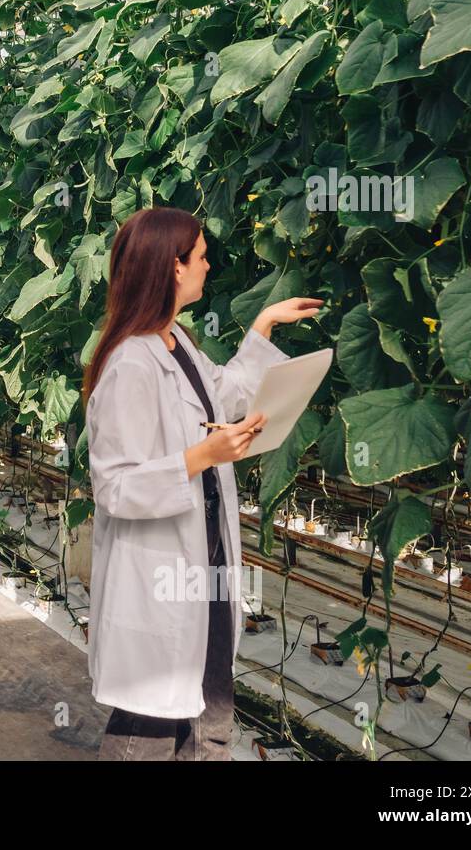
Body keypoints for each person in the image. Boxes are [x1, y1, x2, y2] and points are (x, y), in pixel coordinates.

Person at [81, 206, 323, 759]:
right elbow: (115, 487)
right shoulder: (131, 365)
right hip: (159, 573)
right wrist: (200, 456)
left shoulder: (177, 342)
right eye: (202, 256)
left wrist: (264, 325)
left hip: (205, 561)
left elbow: (226, 395)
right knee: (149, 723)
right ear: (173, 267)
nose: (209, 266)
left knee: (210, 701)